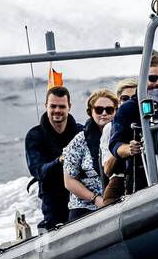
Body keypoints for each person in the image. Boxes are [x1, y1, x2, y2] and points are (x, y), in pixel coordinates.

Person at [103, 52, 158, 195]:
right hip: (141, 178)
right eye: (152, 78)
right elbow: (115, 144)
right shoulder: (128, 109)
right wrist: (129, 148)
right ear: (143, 79)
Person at [25, 86, 81, 230]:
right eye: (53, 106)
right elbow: (38, 171)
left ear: (69, 107)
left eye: (62, 106)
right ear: (46, 106)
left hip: (80, 195)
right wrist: (60, 160)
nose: (57, 110)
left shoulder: (81, 132)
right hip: (52, 199)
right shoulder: (34, 136)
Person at [63, 90, 117, 221]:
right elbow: (68, 181)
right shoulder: (79, 140)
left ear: (116, 111)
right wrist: (95, 199)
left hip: (117, 201)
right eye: (99, 109)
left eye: (109, 110)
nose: (104, 113)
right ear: (91, 111)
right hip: (85, 206)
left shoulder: (122, 136)